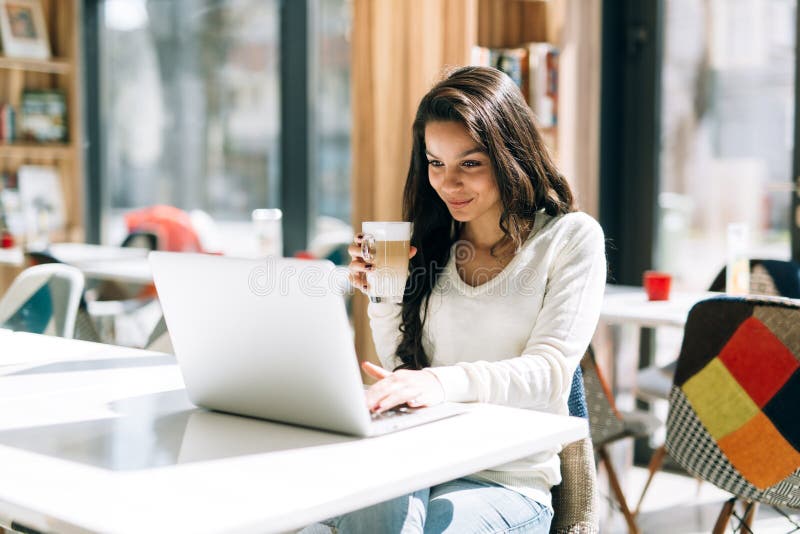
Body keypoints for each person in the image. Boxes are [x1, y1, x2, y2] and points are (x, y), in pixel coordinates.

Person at [338, 66, 606, 533]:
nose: (448, 183)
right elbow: (404, 370)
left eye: (470, 163)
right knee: (372, 505)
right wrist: (382, 298)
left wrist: (439, 384)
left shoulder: (569, 239)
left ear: (509, 155)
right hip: (421, 456)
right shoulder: (431, 241)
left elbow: (549, 374)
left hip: (505, 479)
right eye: (435, 163)